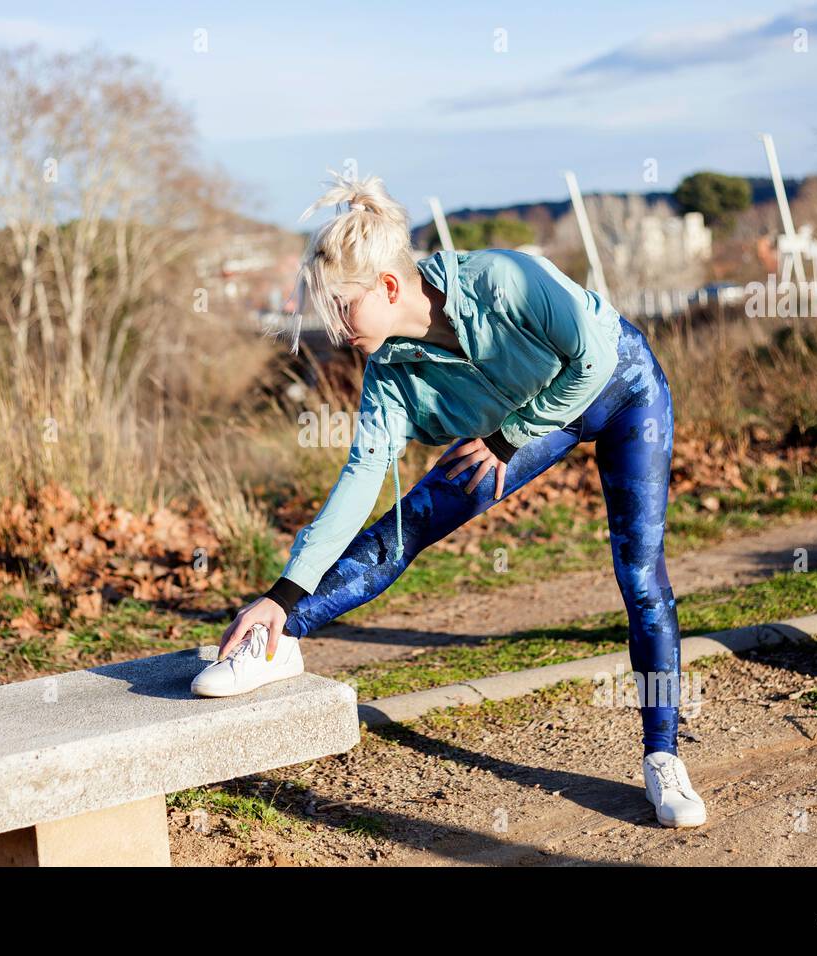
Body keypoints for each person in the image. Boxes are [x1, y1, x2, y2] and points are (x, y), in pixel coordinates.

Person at [191, 170, 706, 828]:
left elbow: (593, 361)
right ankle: (280, 641)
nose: (336, 329)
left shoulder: (505, 279)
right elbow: (360, 480)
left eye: (342, 309)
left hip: (623, 386)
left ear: (387, 286)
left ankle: (663, 757)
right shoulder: (387, 372)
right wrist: (284, 594)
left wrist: (505, 437)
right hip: (528, 421)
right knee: (407, 526)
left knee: (639, 572)